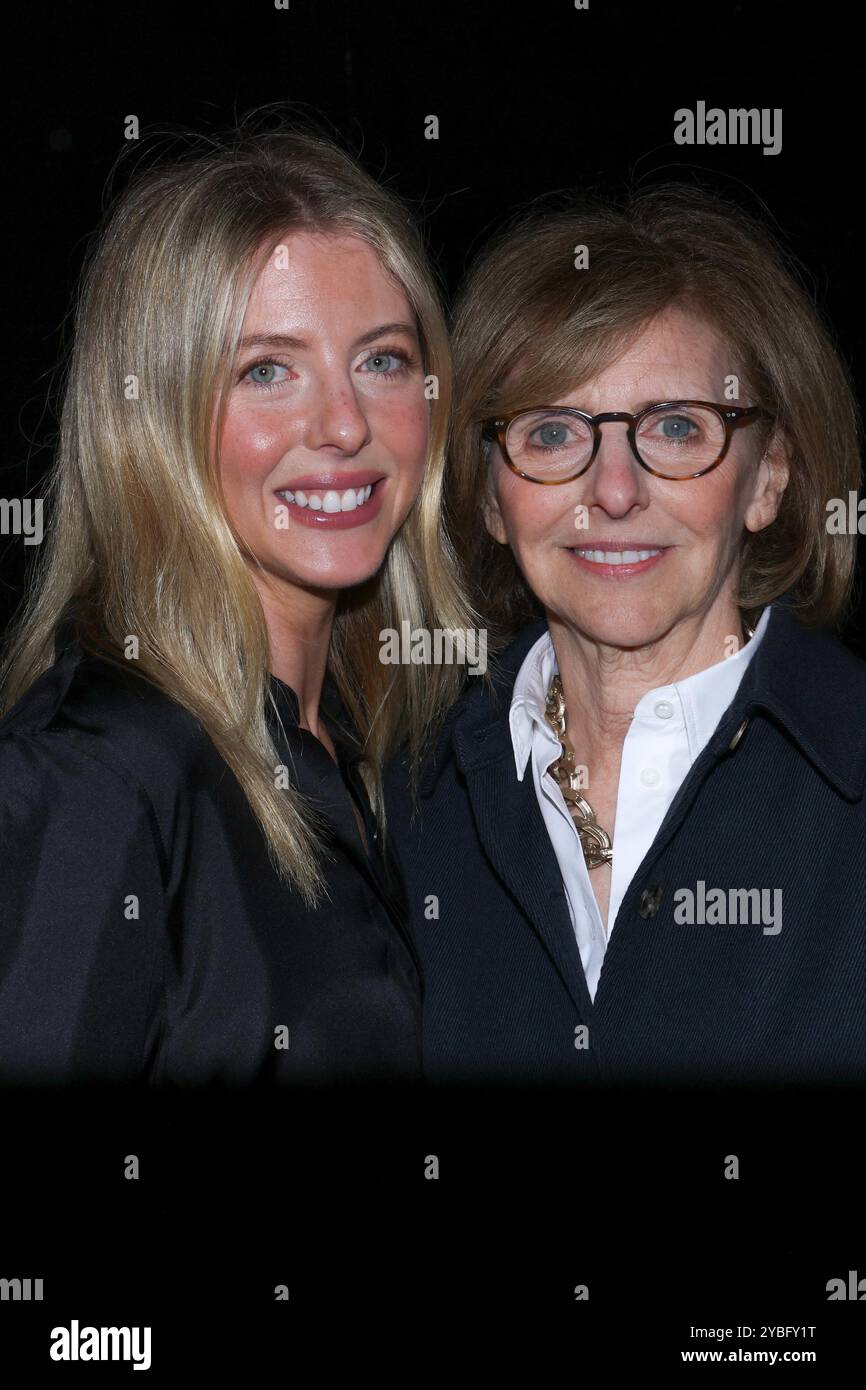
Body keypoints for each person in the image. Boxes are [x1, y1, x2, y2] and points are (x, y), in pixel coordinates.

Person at [0, 123, 473, 1086]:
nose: (344, 424)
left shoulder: (368, 749)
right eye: (267, 370)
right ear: (153, 420)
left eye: (381, 360)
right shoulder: (97, 775)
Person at [384, 184, 866, 1084]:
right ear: (491, 493)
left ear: (769, 479)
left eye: (677, 428)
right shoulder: (404, 803)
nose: (613, 490)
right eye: (554, 431)